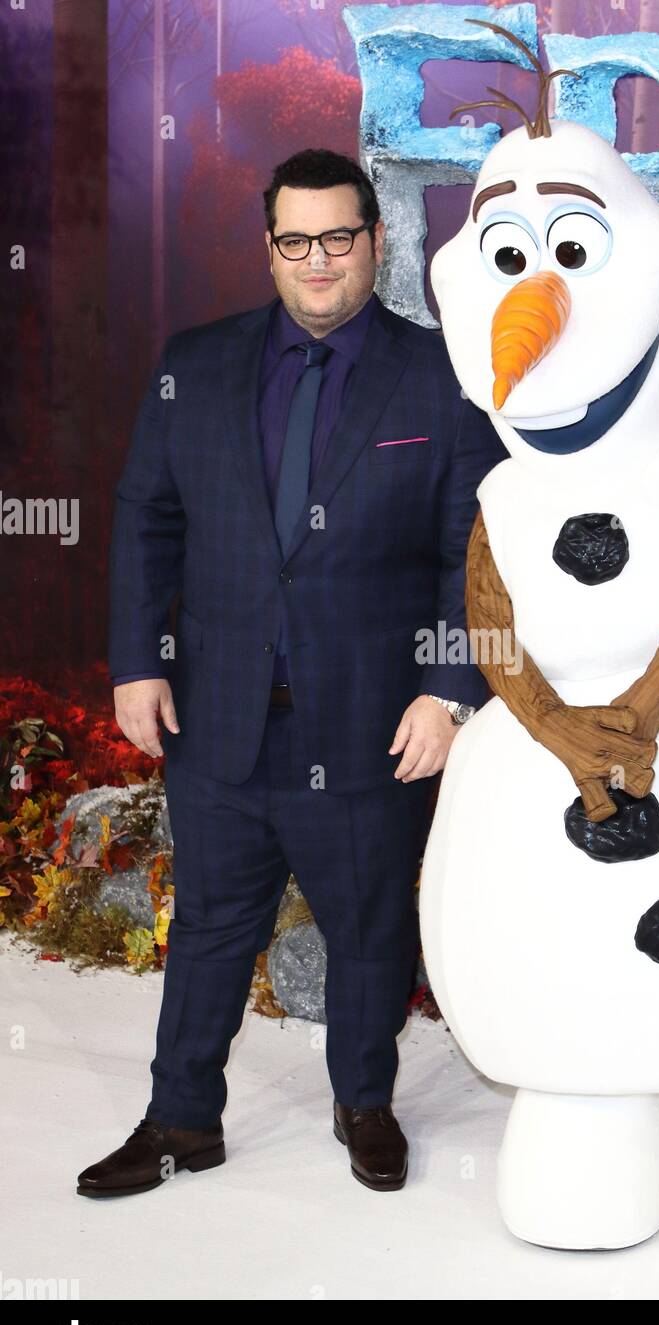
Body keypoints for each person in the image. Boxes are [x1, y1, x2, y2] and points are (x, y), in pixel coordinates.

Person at [78, 148, 503, 1199]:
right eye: (296, 239)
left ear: (376, 242)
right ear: (269, 247)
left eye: (339, 237)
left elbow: (474, 549)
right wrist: (137, 661)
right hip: (217, 717)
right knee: (209, 928)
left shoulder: (442, 374)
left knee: (368, 931)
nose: (319, 259)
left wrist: (448, 689)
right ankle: (182, 1120)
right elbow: (147, 517)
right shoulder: (194, 364)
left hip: (370, 722)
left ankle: (364, 1104)